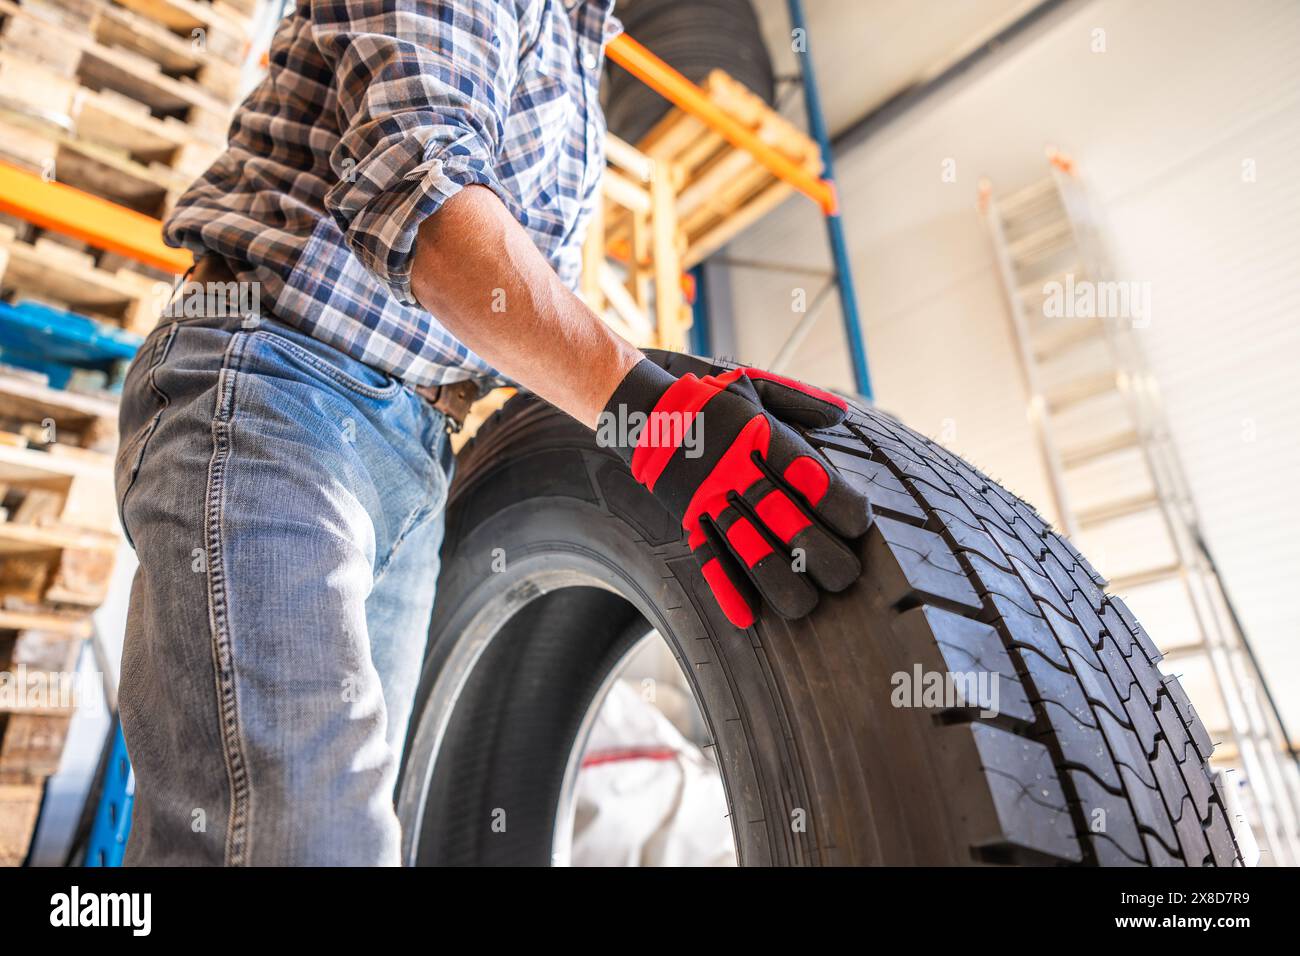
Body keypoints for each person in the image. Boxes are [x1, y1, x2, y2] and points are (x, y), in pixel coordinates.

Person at [115, 0, 869, 865]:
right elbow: (418, 192)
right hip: (282, 385)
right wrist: (655, 420)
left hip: (415, 448)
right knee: (307, 842)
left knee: (327, 832)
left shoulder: (581, 47)